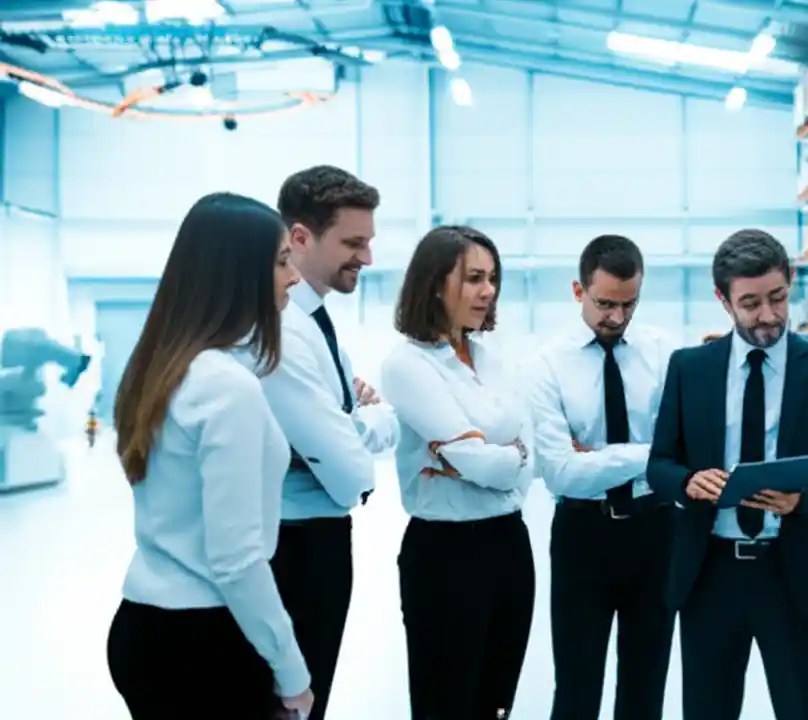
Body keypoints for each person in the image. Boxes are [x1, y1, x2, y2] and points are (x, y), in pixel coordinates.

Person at [105, 192, 313, 719]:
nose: (294, 277)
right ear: (239, 274)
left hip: (144, 624)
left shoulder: (163, 370)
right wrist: (292, 672)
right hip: (203, 644)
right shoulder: (227, 388)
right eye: (282, 261)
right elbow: (236, 559)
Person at [647, 228, 808, 720]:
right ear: (723, 300)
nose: (768, 315)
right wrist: (686, 483)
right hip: (710, 574)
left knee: (803, 708)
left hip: (794, 575)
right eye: (750, 303)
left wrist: (804, 500)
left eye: (778, 297)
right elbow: (659, 463)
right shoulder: (690, 369)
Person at [260, 164, 399, 720]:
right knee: (296, 706)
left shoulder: (314, 321)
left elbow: (344, 429)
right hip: (295, 547)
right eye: (352, 243)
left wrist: (350, 419)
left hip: (317, 540)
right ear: (300, 237)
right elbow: (350, 470)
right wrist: (367, 419)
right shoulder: (284, 329)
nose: (367, 257)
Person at [380, 225, 536, 720]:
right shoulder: (407, 365)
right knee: (445, 706)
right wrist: (497, 455)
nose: (488, 291)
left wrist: (487, 457)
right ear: (433, 284)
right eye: (473, 278)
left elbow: (522, 459)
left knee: (496, 705)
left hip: (509, 544)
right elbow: (484, 461)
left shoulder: (492, 359)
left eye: (492, 278)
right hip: (446, 556)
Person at [526, 235, 679, 720]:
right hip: (582, 535)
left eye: (629, 304)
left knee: (645, 686)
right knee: (576, 686)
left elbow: (682, 451)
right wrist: (650, 453)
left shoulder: (663, 354)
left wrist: (601, 459)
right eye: (605, 304)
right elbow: (561, 473)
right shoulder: (547, 365)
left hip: (655, 532)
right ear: (578, 291)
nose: (616, 317)